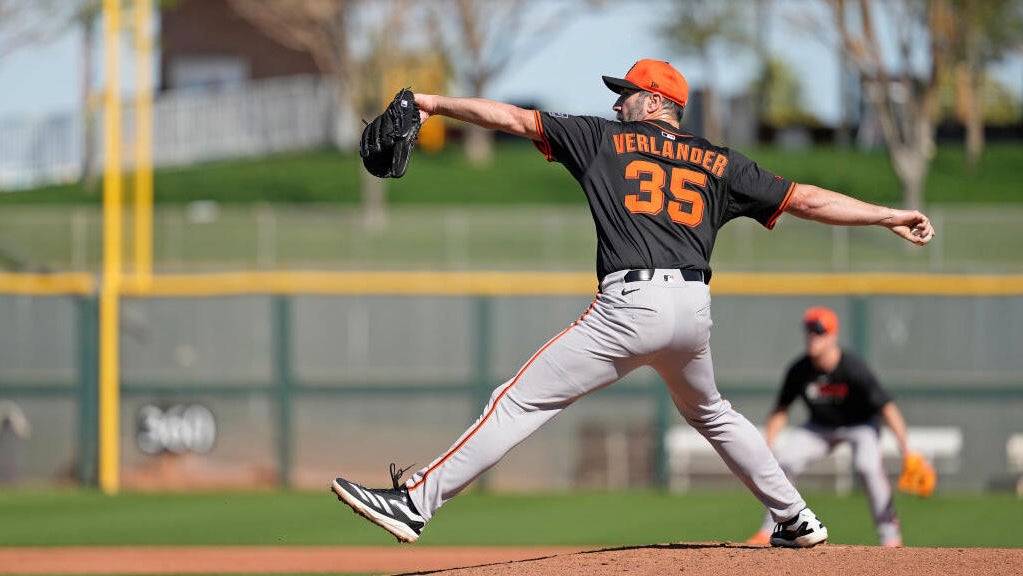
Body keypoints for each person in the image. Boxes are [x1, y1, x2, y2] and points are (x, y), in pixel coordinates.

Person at [330, 59, 935, 548]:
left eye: (626, 94)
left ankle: (414, 503)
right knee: (712, 412)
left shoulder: (603, 139)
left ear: (652, 102)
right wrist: (888, 215)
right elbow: (805, 199)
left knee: (517, 402)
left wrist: (433, 104)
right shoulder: (719, 161)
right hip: (692, 310)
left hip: (630, 306)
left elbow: (510, 118)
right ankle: (796, 517)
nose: (617, 104)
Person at [745, 306, 911, 548]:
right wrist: (768, 443)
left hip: (860, 426)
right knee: (784, 461)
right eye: (810, 331)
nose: (813, 337)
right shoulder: (800, 369)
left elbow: (887, 408)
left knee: (867, 466)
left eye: (820, 332)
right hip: (820, 427)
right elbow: (780, 410)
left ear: (833, 336)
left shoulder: (853, 368)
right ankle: (769, 529)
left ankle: (890, 535)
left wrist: (907, 451)